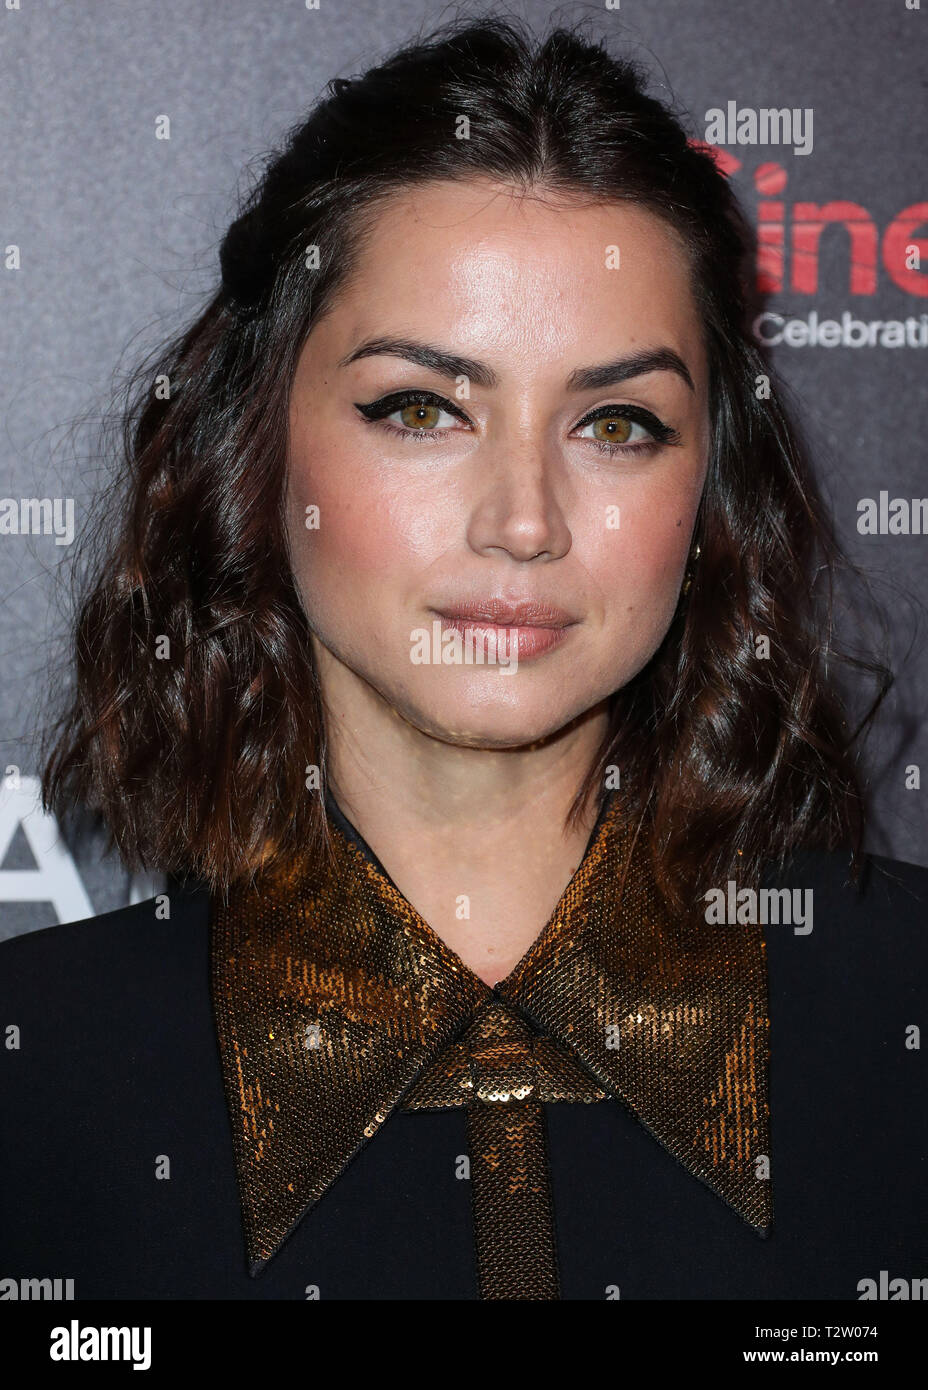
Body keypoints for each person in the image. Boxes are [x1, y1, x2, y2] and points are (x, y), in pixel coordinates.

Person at [1, 16, 925, 1302]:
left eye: (616, 423)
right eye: (421, 408)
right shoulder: (35, 1075)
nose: (525, 520)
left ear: (711, 495)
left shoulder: (900, 1023)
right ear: (255, 452)